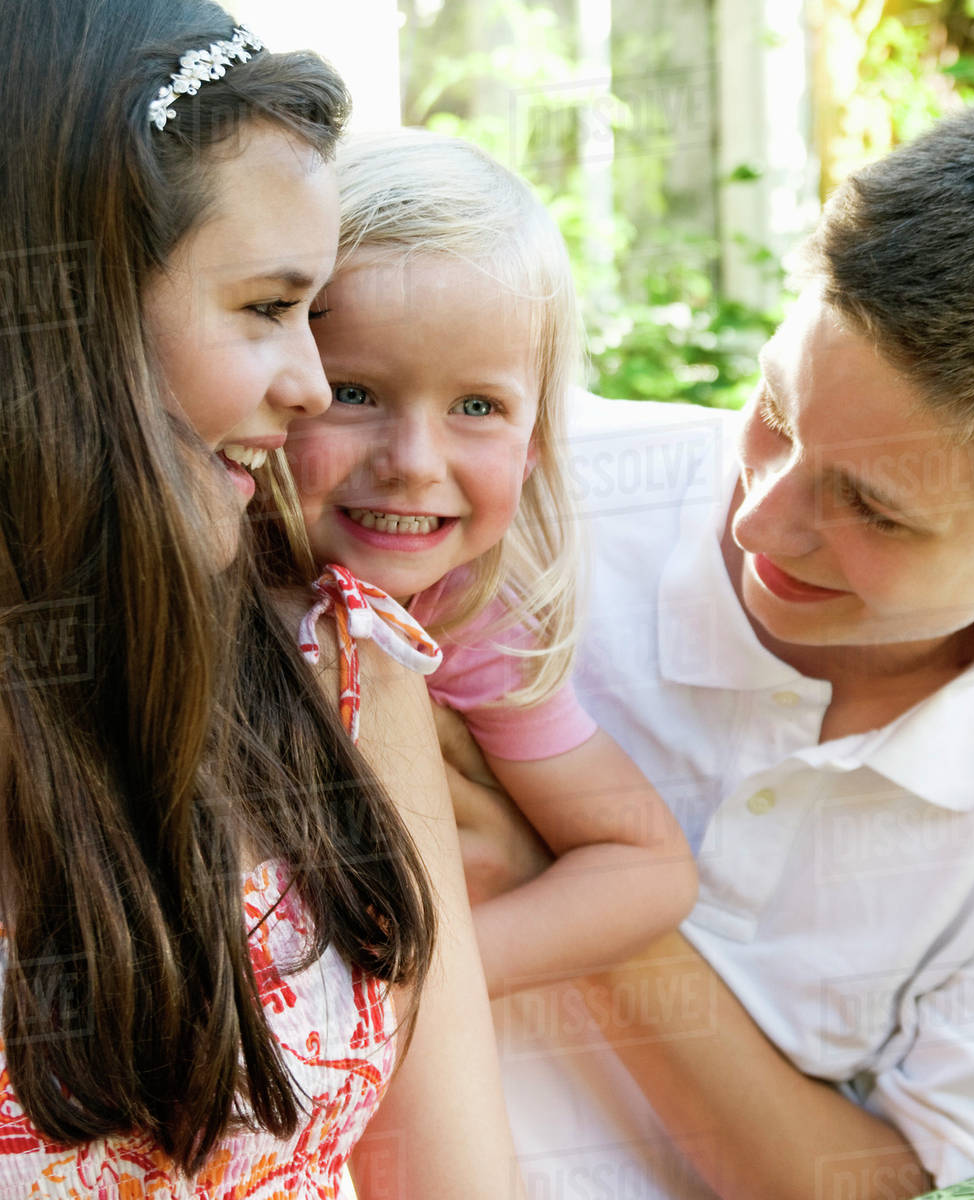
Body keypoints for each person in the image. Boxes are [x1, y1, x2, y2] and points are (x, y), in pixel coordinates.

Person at [443, 100, 974, 1198]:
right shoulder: (512, 496)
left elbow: (908, 1190)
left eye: (876, 512)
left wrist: (569, 877)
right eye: (774, 413)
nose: (760, 520)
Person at [0, 3, 518, 1196]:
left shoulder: (344, 670)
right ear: (62, 316)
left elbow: (453, 1178)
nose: (311, 386)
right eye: (269, 307)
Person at [278, 129, 698, 1000]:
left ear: (535, 440)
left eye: (477, 406)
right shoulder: (187, 557)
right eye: (355, 392)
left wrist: (402, 995)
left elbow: (645, 867)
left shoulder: (467, 618)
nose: (413, 460)